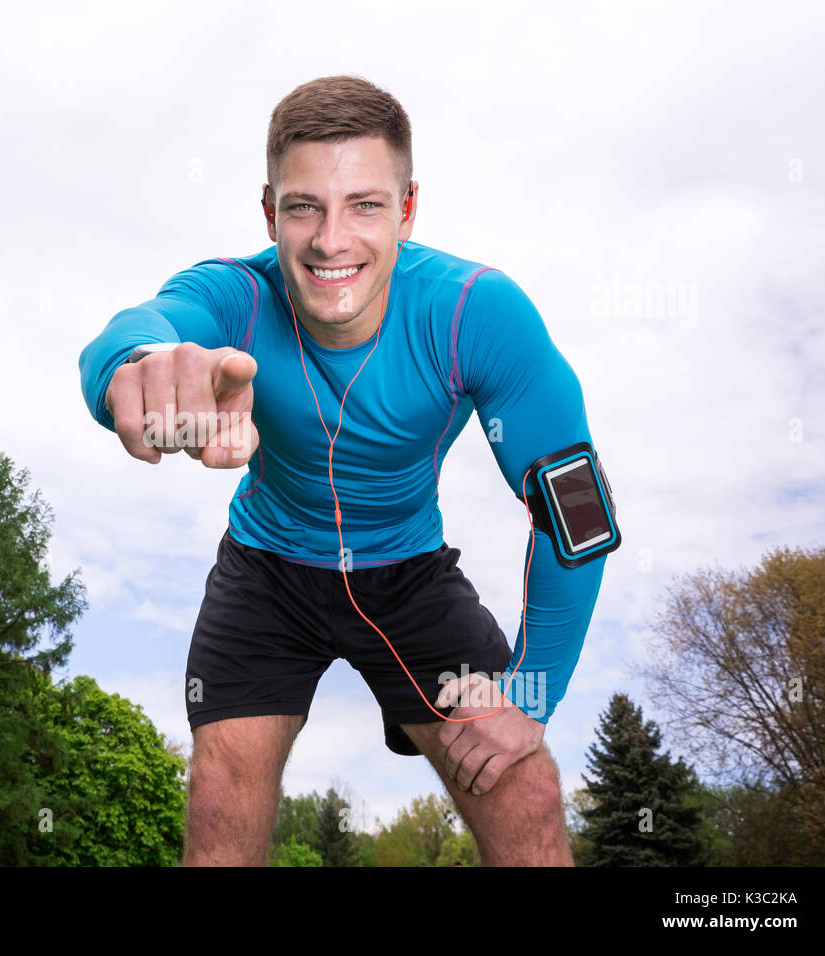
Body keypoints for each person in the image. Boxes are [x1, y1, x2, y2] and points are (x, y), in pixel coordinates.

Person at [77, 74, 611, 866]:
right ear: (270, 213)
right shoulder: (235, 296)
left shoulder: (477, 313)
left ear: (407, 208)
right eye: (304, 207)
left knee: (523, 786)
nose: (332, 241)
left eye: (364, 205)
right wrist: (142, 368)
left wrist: (533, 695)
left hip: (410, 574)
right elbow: (135, 333)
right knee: (221, 787)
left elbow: (578, 517)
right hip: (267, 569)